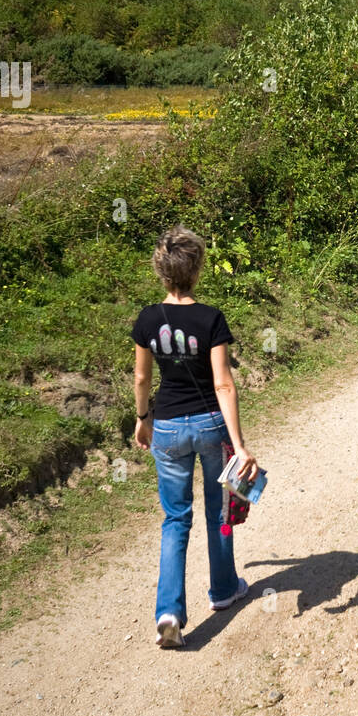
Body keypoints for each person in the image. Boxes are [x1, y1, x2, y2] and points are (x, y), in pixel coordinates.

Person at [132, 225, 259, 648]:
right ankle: (224, 591)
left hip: (166, 427)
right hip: (209, 425)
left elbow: (141, 376)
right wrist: (239, 446)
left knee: (175, 519)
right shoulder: (211, 318)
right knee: (219, 512)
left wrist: (142, 418)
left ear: (161, 272)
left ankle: (168, 611)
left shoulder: (148, 319)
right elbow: (224, 384)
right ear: (197, 269)